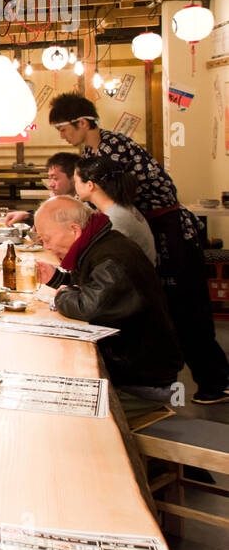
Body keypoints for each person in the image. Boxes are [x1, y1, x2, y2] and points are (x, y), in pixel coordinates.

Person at [48, 91, 229, 405]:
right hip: (150, 226)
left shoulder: (113, 146)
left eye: (63, 129)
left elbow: (108, 196)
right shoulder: (94, 149)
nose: (62, 136)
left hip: (170, 229)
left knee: (186, 310)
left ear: (82, 122)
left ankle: (216, 382)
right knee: (171, 307)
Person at [33, 197, 183, 422]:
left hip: (141, 384)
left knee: (56, 415)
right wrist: (57, 279)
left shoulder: (111, 257)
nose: (46, 247)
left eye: (47, 239)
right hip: (133, 370)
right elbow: (90, 288)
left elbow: (88, 306)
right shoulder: (100, 244)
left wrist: (62, 293)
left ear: (74, 230)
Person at [73, 155, 157, 266]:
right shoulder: (119, 208)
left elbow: (104, 262)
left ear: (89, 185)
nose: (75, 186)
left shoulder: (115, 218)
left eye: (75, 181)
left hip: (134, 280)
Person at [0, 151, 79, 225]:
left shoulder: (84, 205)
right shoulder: (66, 199)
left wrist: (57, 205)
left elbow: (66, 228)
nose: (51, 184)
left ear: (74, 178)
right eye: (50, 178)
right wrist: (27, 216)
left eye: (55, 178)